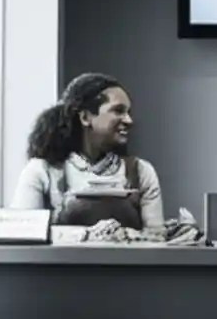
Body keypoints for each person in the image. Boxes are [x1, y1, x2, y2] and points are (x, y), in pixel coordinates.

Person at [9, 72, 165, 233]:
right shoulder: (42, 171)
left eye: (128, 112)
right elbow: (23, 238)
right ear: (85, 117)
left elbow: (156, 241)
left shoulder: (141, 172)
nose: (128, 120)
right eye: (118, 111)